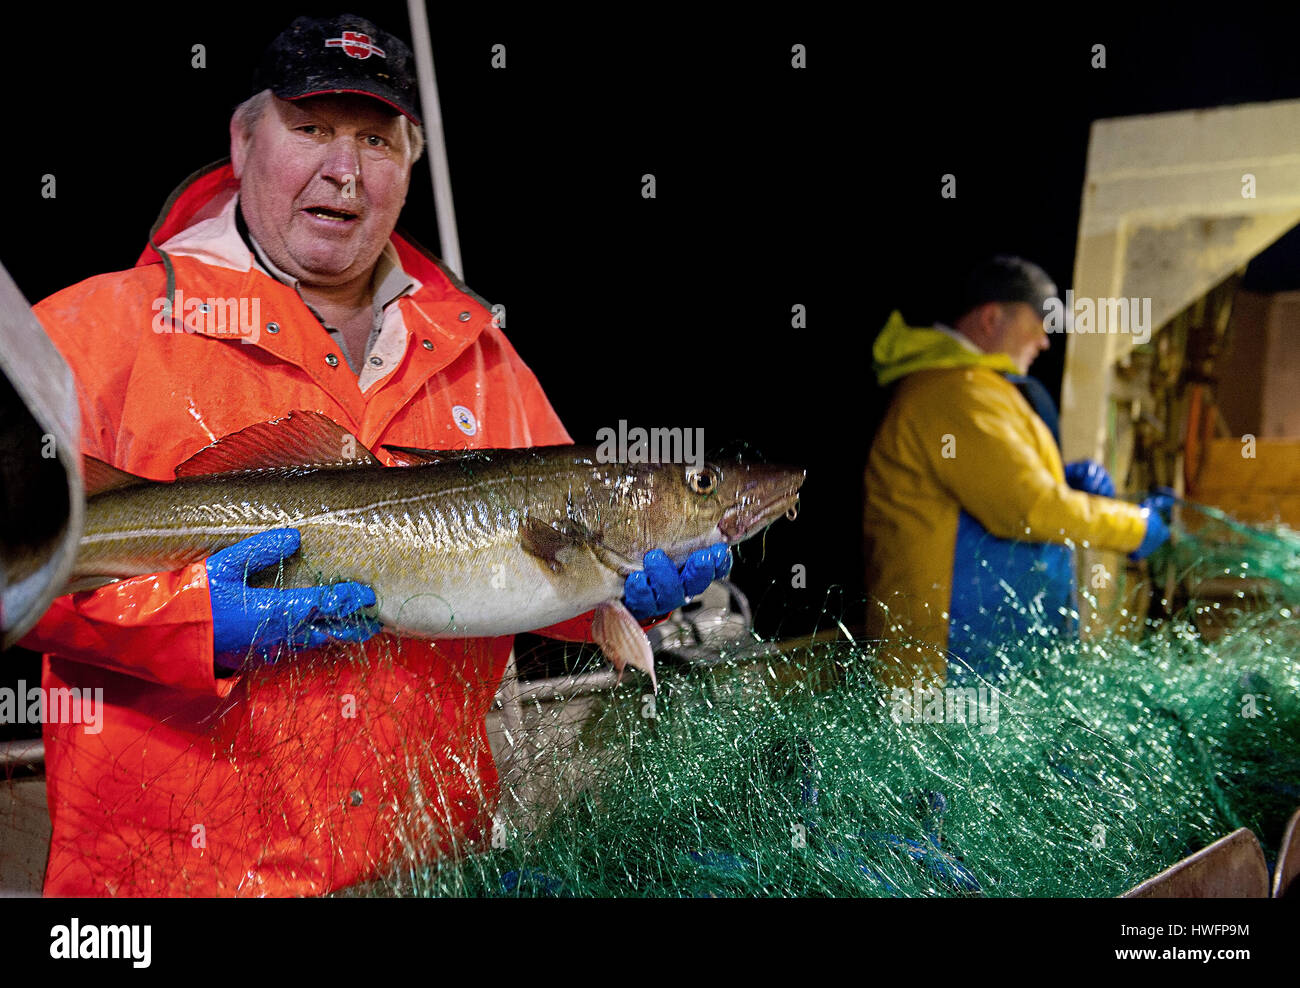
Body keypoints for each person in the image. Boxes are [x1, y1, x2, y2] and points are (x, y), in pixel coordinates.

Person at [20, 14, 729, 896]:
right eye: (311, 129)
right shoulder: (94, 333)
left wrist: (608, 599)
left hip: (429, 866)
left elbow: (509, 587)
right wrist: (192, 625)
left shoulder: (480, 353)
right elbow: (15, 577)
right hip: (171, 883)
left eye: (375, 140)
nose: (343, 169)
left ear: (409, 164)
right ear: (243, 143)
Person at [863, 256, 1172, 686]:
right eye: (1040, 322)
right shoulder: (955, 392)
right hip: (947, 673)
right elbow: (1028, 508)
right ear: (991, 317)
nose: (1046, 341)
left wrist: (1061, 478)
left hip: (986, 662)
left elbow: (998, 483)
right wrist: (1135, 527)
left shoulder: (974, 387)